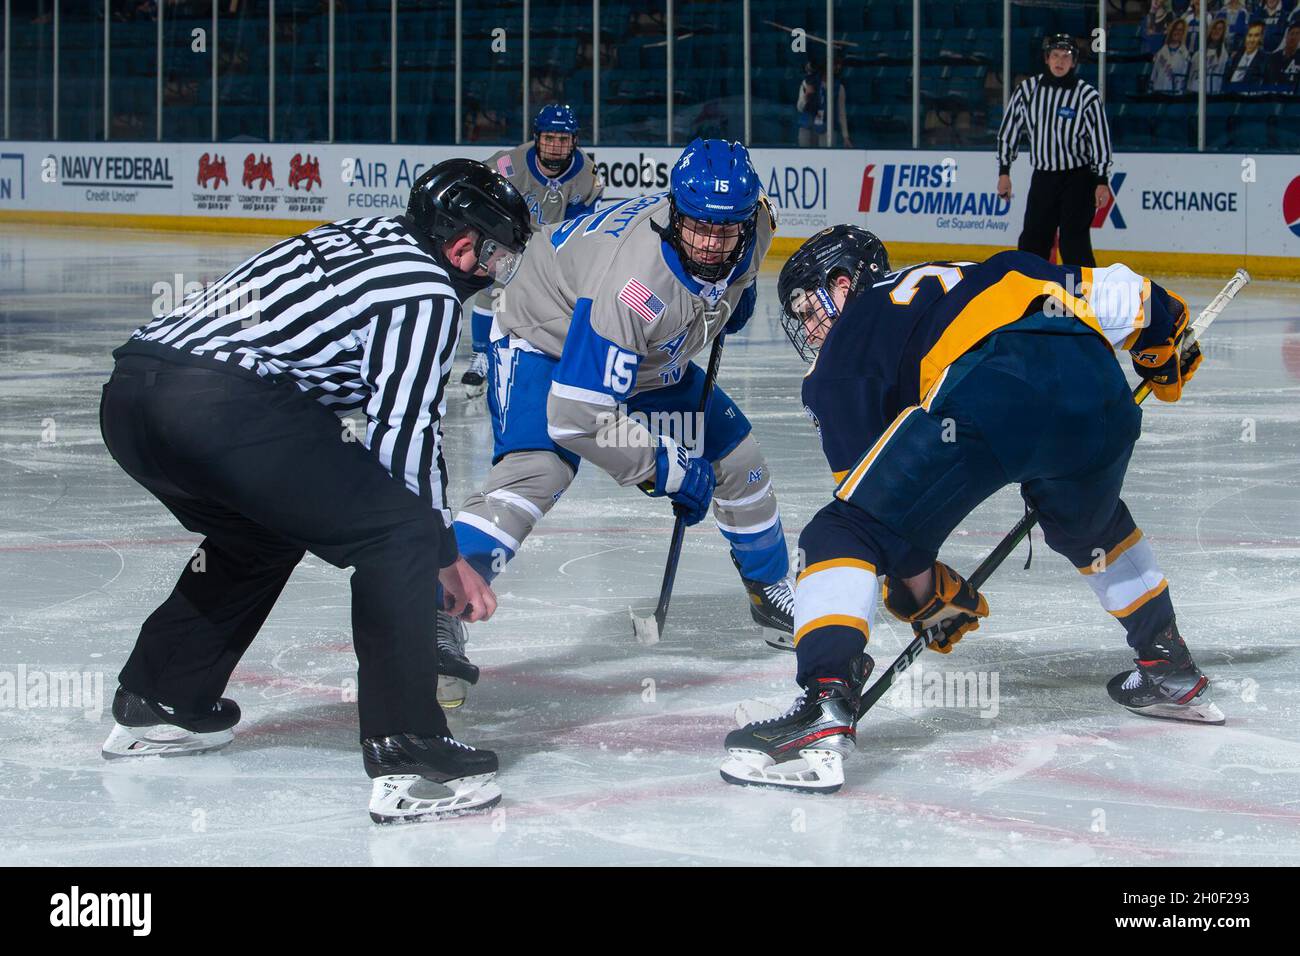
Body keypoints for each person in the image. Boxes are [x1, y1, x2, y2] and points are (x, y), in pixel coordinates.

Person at [98, 159, 532, 824]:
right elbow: (405, 434)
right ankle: (411, 756)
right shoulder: (424, 290)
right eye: (497, 257)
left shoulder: (362, 235)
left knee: (259, 537)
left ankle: (161, 701)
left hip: (132, 398)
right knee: (400, 530)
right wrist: (440, 550)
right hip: (221, 406)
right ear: (463, 245)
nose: (493, 274)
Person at [720, 226, 1224, 793]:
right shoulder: (990, 269)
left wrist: (922, 595)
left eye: (809, 308)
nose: (810, 330)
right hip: (1100, 394)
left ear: (843, 284)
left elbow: (883, 526)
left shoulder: (842, 355)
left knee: (841, 531)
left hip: (992, 390)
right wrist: (1161, 346)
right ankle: (1168, 663)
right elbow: (1134, 295)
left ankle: (823, 703)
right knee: (1091, 525)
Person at [439, 139, 796, 708]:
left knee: (737, 457)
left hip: (651, 355)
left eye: (725, 231)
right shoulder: (635, 287)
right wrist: (662, 468)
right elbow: (578, 417)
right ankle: (436, 609)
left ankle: (769, 585)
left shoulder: (759, 226)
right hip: (545, 334)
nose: (709, 244)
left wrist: (738, 293)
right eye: (697, 227)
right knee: (538, 471)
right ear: (675, 213)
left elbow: (734, 272)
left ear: (750, 218)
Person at [460, 104, 605, 402]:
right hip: (509, 237)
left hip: (552, 245)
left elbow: (578, 227)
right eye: (549, 138)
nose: (555, 146)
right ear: (537, 138)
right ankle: (482, 357)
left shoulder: (585, 175)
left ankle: (553, 356)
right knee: (493, 292)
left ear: (574, 141)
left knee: (563, 297)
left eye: (563, 140)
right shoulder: (508, 164)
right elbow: (482, 195)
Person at [996, 33, 1114, 268]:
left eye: (1066, 56)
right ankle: (1030, 292)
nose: (1060, 61)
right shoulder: (1027, 91)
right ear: (1047, 59)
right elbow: (1009, 132)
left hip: (1079, 179)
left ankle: (1082, 296)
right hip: (1043, 177)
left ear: (1074, 62)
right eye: (1055, 56)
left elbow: (1100, 140)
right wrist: (1004, 171)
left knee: (1074, 242)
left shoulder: (1086, 95)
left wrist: (1101, 180)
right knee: (1033, 239)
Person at [1224, 20, 1271, 90]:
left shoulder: (1265, 60)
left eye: (1256, 36)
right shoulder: (1236, 57)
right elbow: (1226, 80)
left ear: (1261, 38)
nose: (1251, 40)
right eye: (1249, 35)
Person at [1189, 16, 1232, 93]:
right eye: (1214, 28)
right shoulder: (1198, 53)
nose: (1216, 31)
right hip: (1194, 91)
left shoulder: (1225, 55)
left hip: (1213, 93)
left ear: (1223, 33)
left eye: (1220, 29)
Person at [1150, 19, 1192, 93]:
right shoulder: (1161, 51)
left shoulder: (1186, 55)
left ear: (1183, 33)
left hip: (1175, 93)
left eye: (1180, 30)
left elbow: (1185, 78)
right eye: (1175, 29)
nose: (1177, 32)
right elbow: (1154, 74)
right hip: (1159, 91)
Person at [796, 60, 827, 147]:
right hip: (806, 121)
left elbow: (825, 103)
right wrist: (806, 96)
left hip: (820, 120)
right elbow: (799, 107)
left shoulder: (824, 84)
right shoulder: (805, 84)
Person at [1267, 22, 1300, 92]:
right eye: (1292, 33)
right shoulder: (1273, 58)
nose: (1293, 37)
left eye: (1297, 34)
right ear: (1286, 36)